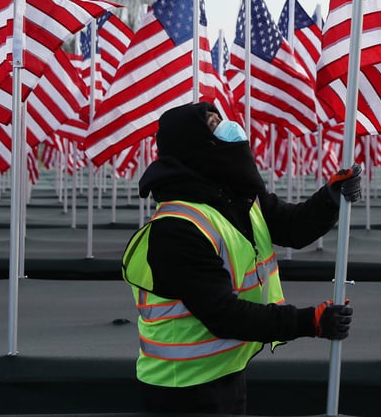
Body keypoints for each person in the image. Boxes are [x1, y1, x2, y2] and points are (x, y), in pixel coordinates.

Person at [121, 100, 361, 415]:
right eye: (211, 124)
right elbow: (223, 314)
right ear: (194, 145)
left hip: (226, 372)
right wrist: (308, 322)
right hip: (181, 387)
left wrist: (329, 199)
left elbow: (293, 227)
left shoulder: (238, 198)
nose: (228, 128)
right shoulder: (177, 227)